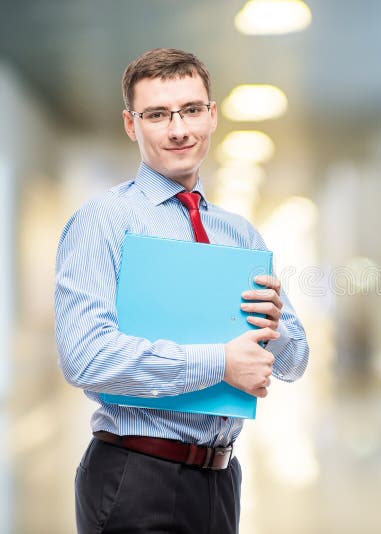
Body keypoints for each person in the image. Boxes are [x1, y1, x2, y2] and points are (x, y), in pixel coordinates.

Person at [54, 48, 309, 533]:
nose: (178, 130)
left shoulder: (239, 234)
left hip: (220, 479)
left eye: (191, 110)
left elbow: (294, 363)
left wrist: (274, 331)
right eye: (157, 115)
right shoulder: (103, 222)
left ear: (212, 116)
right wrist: (220, 362)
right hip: (137, 478)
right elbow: (85, 358)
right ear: (131, 125)